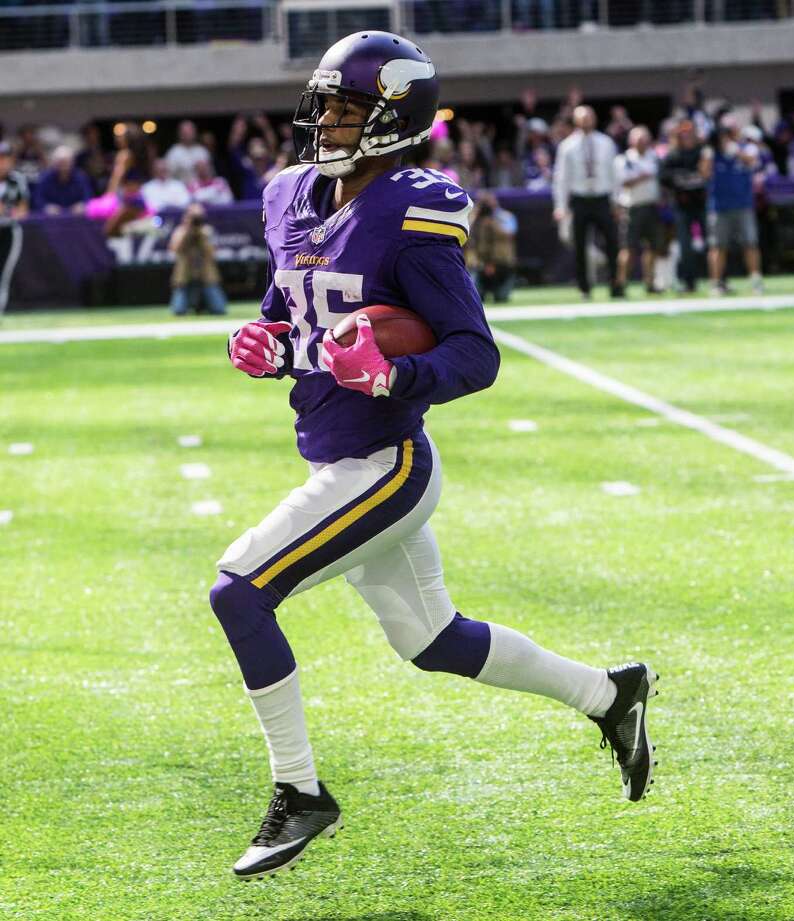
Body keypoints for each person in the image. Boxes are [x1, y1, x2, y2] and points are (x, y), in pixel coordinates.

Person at [217, 31, 657, 881]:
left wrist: (392, 375)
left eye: (349, 109)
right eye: (328, 106)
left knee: (239, 593)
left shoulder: (413, 212)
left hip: (387, 462)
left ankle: (300, 791)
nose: (330, 122)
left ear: (395, 118)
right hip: (334, 455)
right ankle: (611, 694)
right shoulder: (289, 196)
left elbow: (476, 352)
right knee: (434, 641)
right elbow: (287, 304)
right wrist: (268, 339)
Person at [552, 104, 622, 299]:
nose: (586, 121)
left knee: (612, 243)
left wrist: (616, 201)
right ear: (575, 120)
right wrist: (561, 206)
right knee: (580, 246)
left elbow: (614, 174)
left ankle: (615, 284)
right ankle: (585, 287)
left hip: (602, 197)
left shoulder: (606, 142)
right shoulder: (567, 146)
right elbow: (561, 178)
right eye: (582, 118)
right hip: (580, 199)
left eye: (588, 117)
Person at [700, 115, 763, 296]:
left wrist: (733, 149)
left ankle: (755, 280)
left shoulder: (746, 147)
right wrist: (709, 154)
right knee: (718, 246)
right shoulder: (713, 153)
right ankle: (716, 283)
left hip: (743, 204)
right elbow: (704, 174)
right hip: (719, 206)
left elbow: (751, 160)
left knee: (750, 243)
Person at [659, 118, 707, 292]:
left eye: (690, 132)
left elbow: (709, 173)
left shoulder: (703, 152)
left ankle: (718, 279)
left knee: (713, 243)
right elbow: (663, 177)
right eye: (683, 133)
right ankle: (689, 282)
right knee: (685, 246)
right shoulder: (673, 155)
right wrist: (683, 178)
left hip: (702, 203)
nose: (687, 136)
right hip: (682, 205)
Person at [614, 125, 663, 295]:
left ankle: (650, 282)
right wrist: (643, 176)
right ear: (631, 141)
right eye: (638, 138)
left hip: (651, 206)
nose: (642, 142)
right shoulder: (624, 159)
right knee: (628, 248)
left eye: (644, 138)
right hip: (632, 208)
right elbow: (624, 182)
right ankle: (621, 283)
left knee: (652, 247)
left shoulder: (654, 157)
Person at [168, 203, 226, 315]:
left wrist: (202, 236)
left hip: (205, 273)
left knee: (219, 310)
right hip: (185, 273)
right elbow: (175, 249)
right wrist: (186, 233)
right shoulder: (180, 231)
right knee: (178, 311)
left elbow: (212, 253)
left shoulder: (207, 231)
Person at [466, 191, 517, 302]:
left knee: (496, 296)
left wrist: (489, 263)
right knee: (488, 295)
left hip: (495, 261)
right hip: (499, 261)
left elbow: (485, 245)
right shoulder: (495, 220)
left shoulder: (489, 222)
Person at [0, 141, 30, 317]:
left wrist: (9, 213)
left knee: (3, 272)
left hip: (8, 230)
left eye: (6, 158)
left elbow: (23, 210)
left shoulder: (16, 179)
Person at [33, 145, 93, 214]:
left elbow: (88, 196)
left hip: (76, 217)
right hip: (52, 219)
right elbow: (37, 198)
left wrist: (83, 205)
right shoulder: (45, 178)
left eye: (66, 163)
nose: (63, 167)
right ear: (54, 164)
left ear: (72, 163)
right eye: (60, 163)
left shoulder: (81, 177)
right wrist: (46, 207)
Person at [164, 120, 212, 186]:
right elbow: (167, 175)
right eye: (185, 132)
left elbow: (210, 173)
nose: (188, 134)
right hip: (181, 189)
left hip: (201, 189)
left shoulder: (202, 151)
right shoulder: (173, 152)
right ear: (180, 134)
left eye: (190, 131)